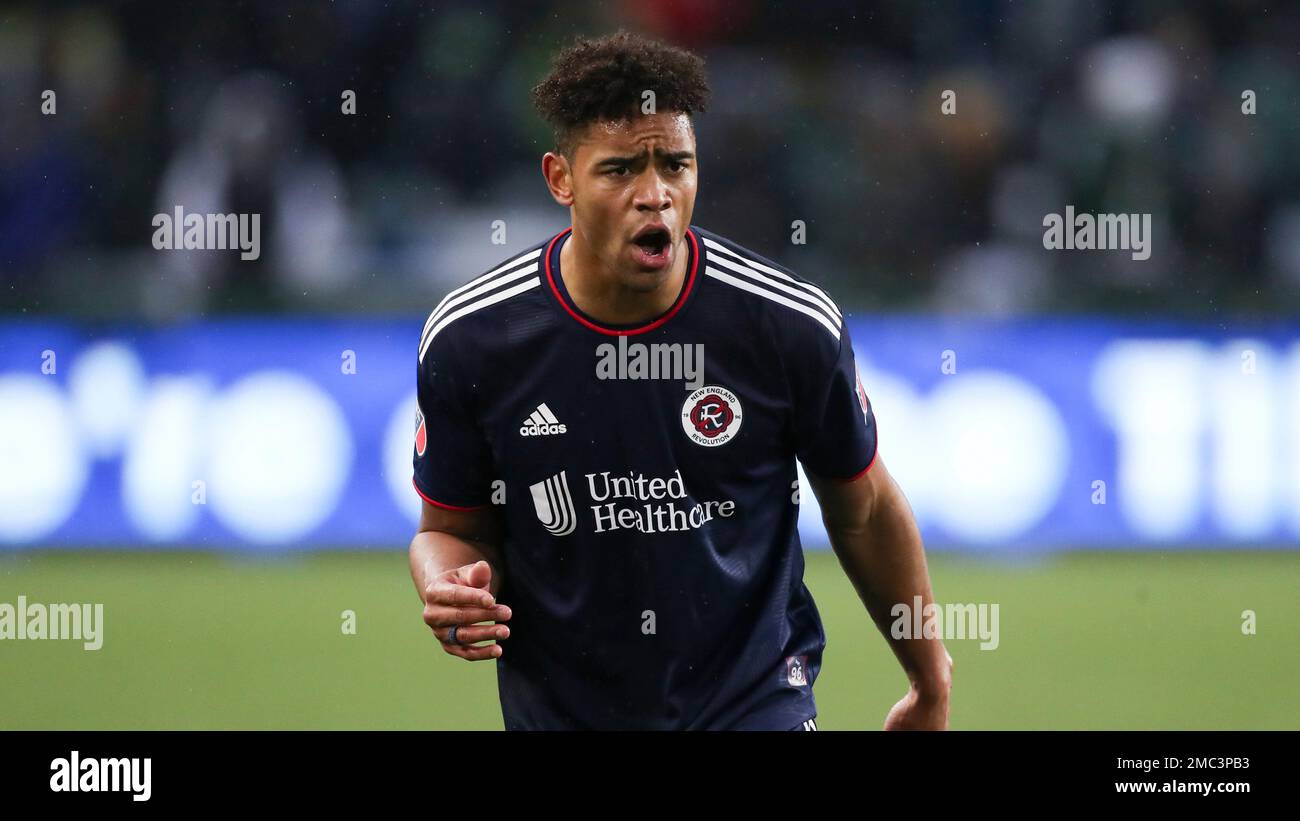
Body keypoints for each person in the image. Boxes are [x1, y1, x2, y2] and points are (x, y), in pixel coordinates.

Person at [408, 30, 952, 730]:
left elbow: (865, 507)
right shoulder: (472, 338)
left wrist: (929, 677)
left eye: (675, 163)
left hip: (753, 705)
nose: (655, 194)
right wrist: (448, 585)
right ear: (560, 178)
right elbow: (449, 528)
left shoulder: (786, 325)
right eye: (620, 169)